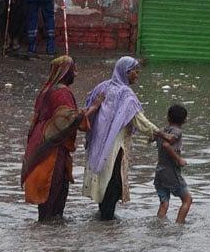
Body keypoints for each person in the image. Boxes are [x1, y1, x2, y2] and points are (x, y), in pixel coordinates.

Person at [83, 56, 175, 220]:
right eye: (135, 71)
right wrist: (161, 134)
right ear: (126, 72)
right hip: (115, 146)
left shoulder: (102, 87)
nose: (137, 75)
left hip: (98, 145)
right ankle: (107, 222)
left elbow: (88, 107)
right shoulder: (126, 95)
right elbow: (139, 120)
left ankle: (102, 217)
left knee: (105, 179)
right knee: (115, 183)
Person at [21, 55, 103, 221]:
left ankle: (52, 236)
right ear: (66, 72)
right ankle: (49, 235)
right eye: (74, 70)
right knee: (52, 192)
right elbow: (70, 120)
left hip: (41, 143)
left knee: (51, 194)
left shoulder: (46, 90)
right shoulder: (61, 93)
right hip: (53, 148)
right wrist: (94, 107)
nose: (76, 74)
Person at [154, 104, 192, 224]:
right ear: (185, 119)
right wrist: (179, 159)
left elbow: (154, 138)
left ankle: (159, 226)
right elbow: (166, 145)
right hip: (171, 173)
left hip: (159, 173)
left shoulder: (163, 131)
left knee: (164, 203)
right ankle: (179, 225)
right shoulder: (177, 132)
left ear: (168, 118)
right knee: (187, 200)